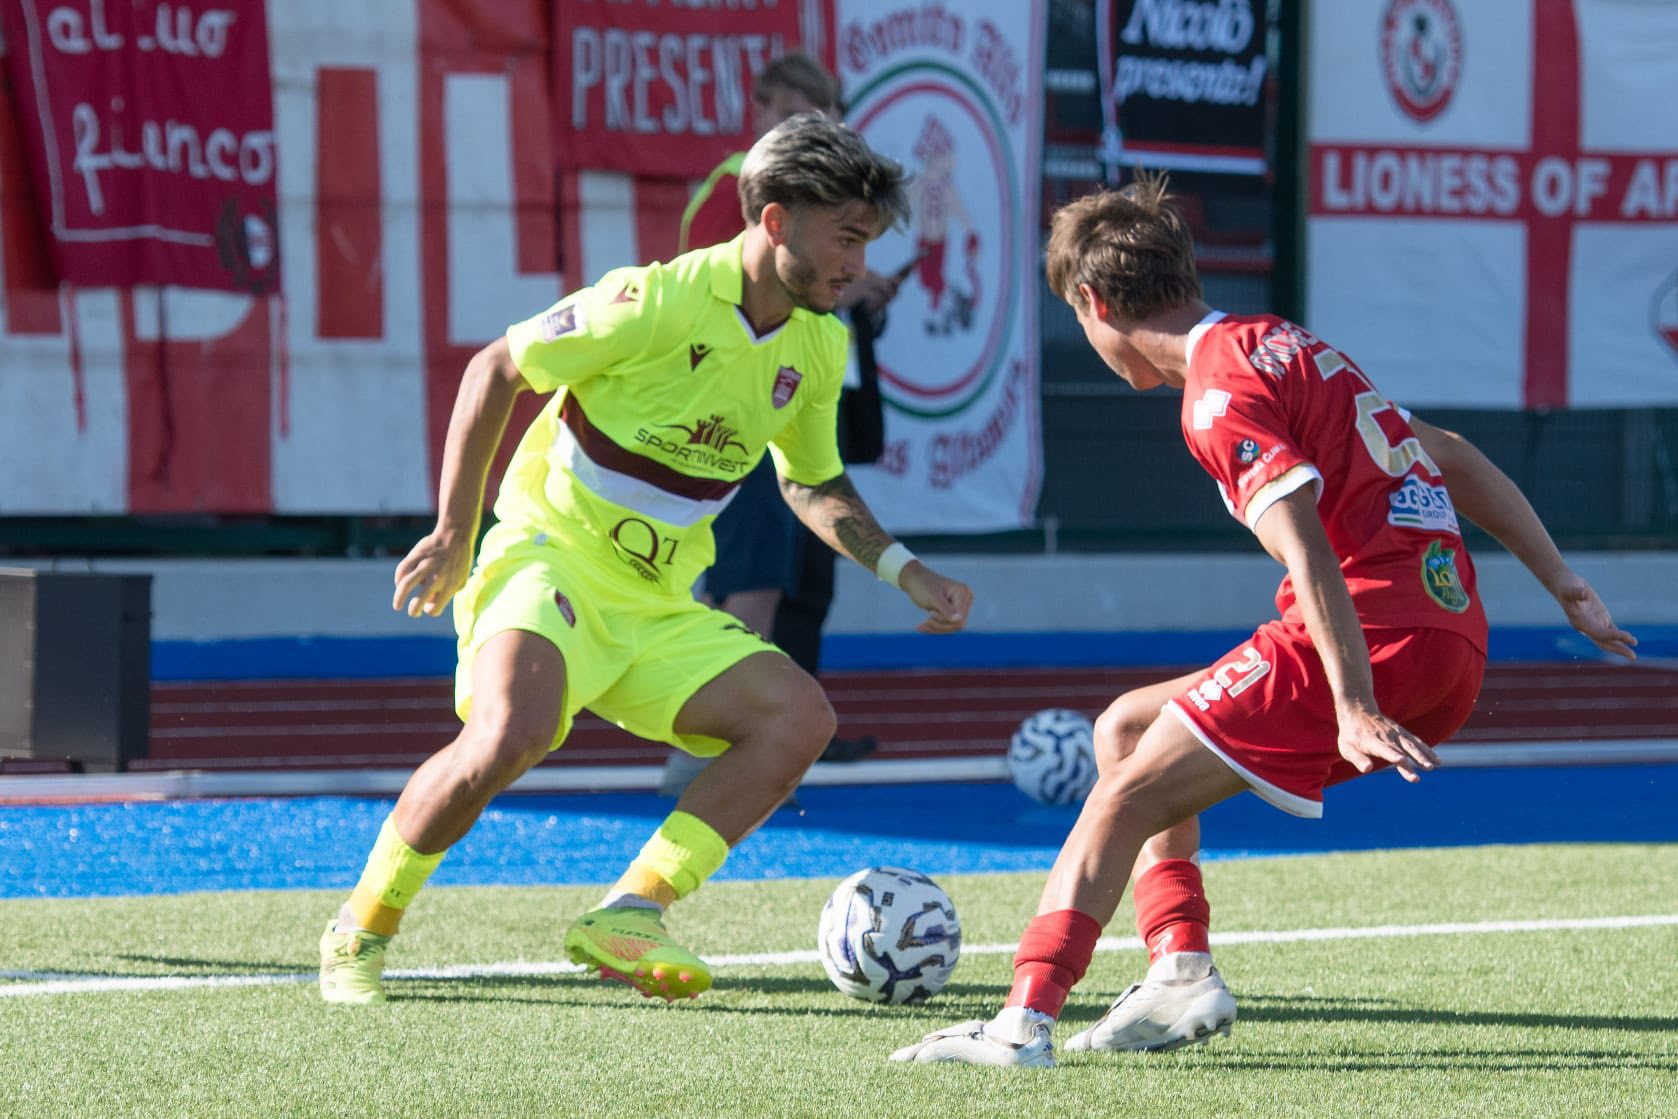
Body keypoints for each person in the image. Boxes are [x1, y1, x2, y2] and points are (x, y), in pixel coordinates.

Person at [890, 173, 1637, 1067]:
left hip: (1372, 639)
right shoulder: (1286, 344)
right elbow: (1452, 454)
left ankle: (1021, 1024)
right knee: (1126, 728)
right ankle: (1179, 969)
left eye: (1078, 318)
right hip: (1451, 636)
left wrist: (1353, 700)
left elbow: (1308, 548)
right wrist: (1562, 582)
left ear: (1091, 302)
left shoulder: (1214, 393)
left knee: (1121, 799)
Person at [318, 113, 974, 1006]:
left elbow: (813, 483)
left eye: (868, 241)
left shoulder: (819, 341)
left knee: (798, 716)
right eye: (846, 237)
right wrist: (453, 531)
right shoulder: (653, 301)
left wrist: (905, 570)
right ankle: (360, 924)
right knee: (510, 733)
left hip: (657, 602)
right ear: (775, 221)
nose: (859, 264)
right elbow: (496, 369)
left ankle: (631, 910)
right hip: (547, 557)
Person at [660, 52, 899, 797]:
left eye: (825, 118)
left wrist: (856, 291)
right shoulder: (741, 186)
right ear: (764, 115)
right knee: (750, 584)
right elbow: (725, 281)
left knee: (801, 582)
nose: (816, 133)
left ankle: (780, 737)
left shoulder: (828, 215)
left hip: (802, 406)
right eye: (799, 118)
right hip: (741, 411)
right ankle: (707, 746)